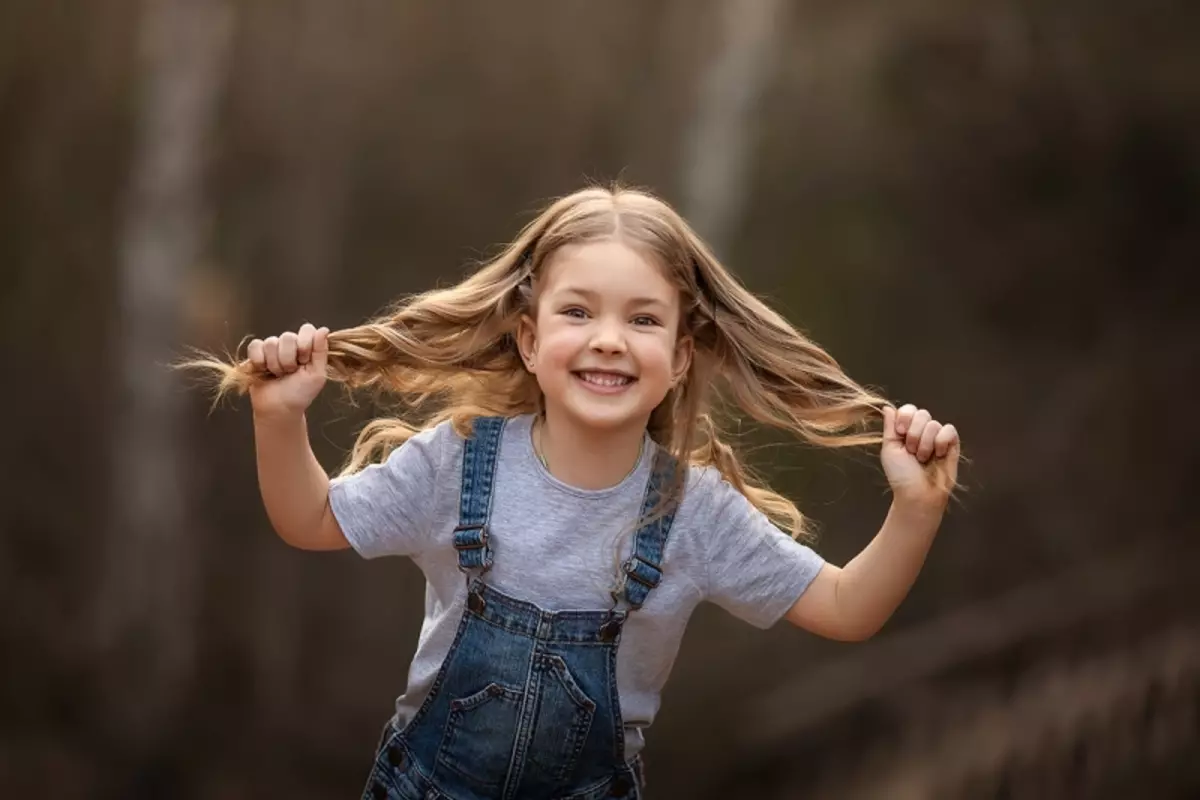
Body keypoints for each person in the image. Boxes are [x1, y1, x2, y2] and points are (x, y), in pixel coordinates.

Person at [186, 184, 961, 800]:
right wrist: (279, 419)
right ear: (529, 338)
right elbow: (311, 519)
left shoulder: (693, 512)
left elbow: (847, 608)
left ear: (681, 357)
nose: (609, 339)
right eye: (578, 311)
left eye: (644, 319)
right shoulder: (460, 463)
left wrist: (915, 509)